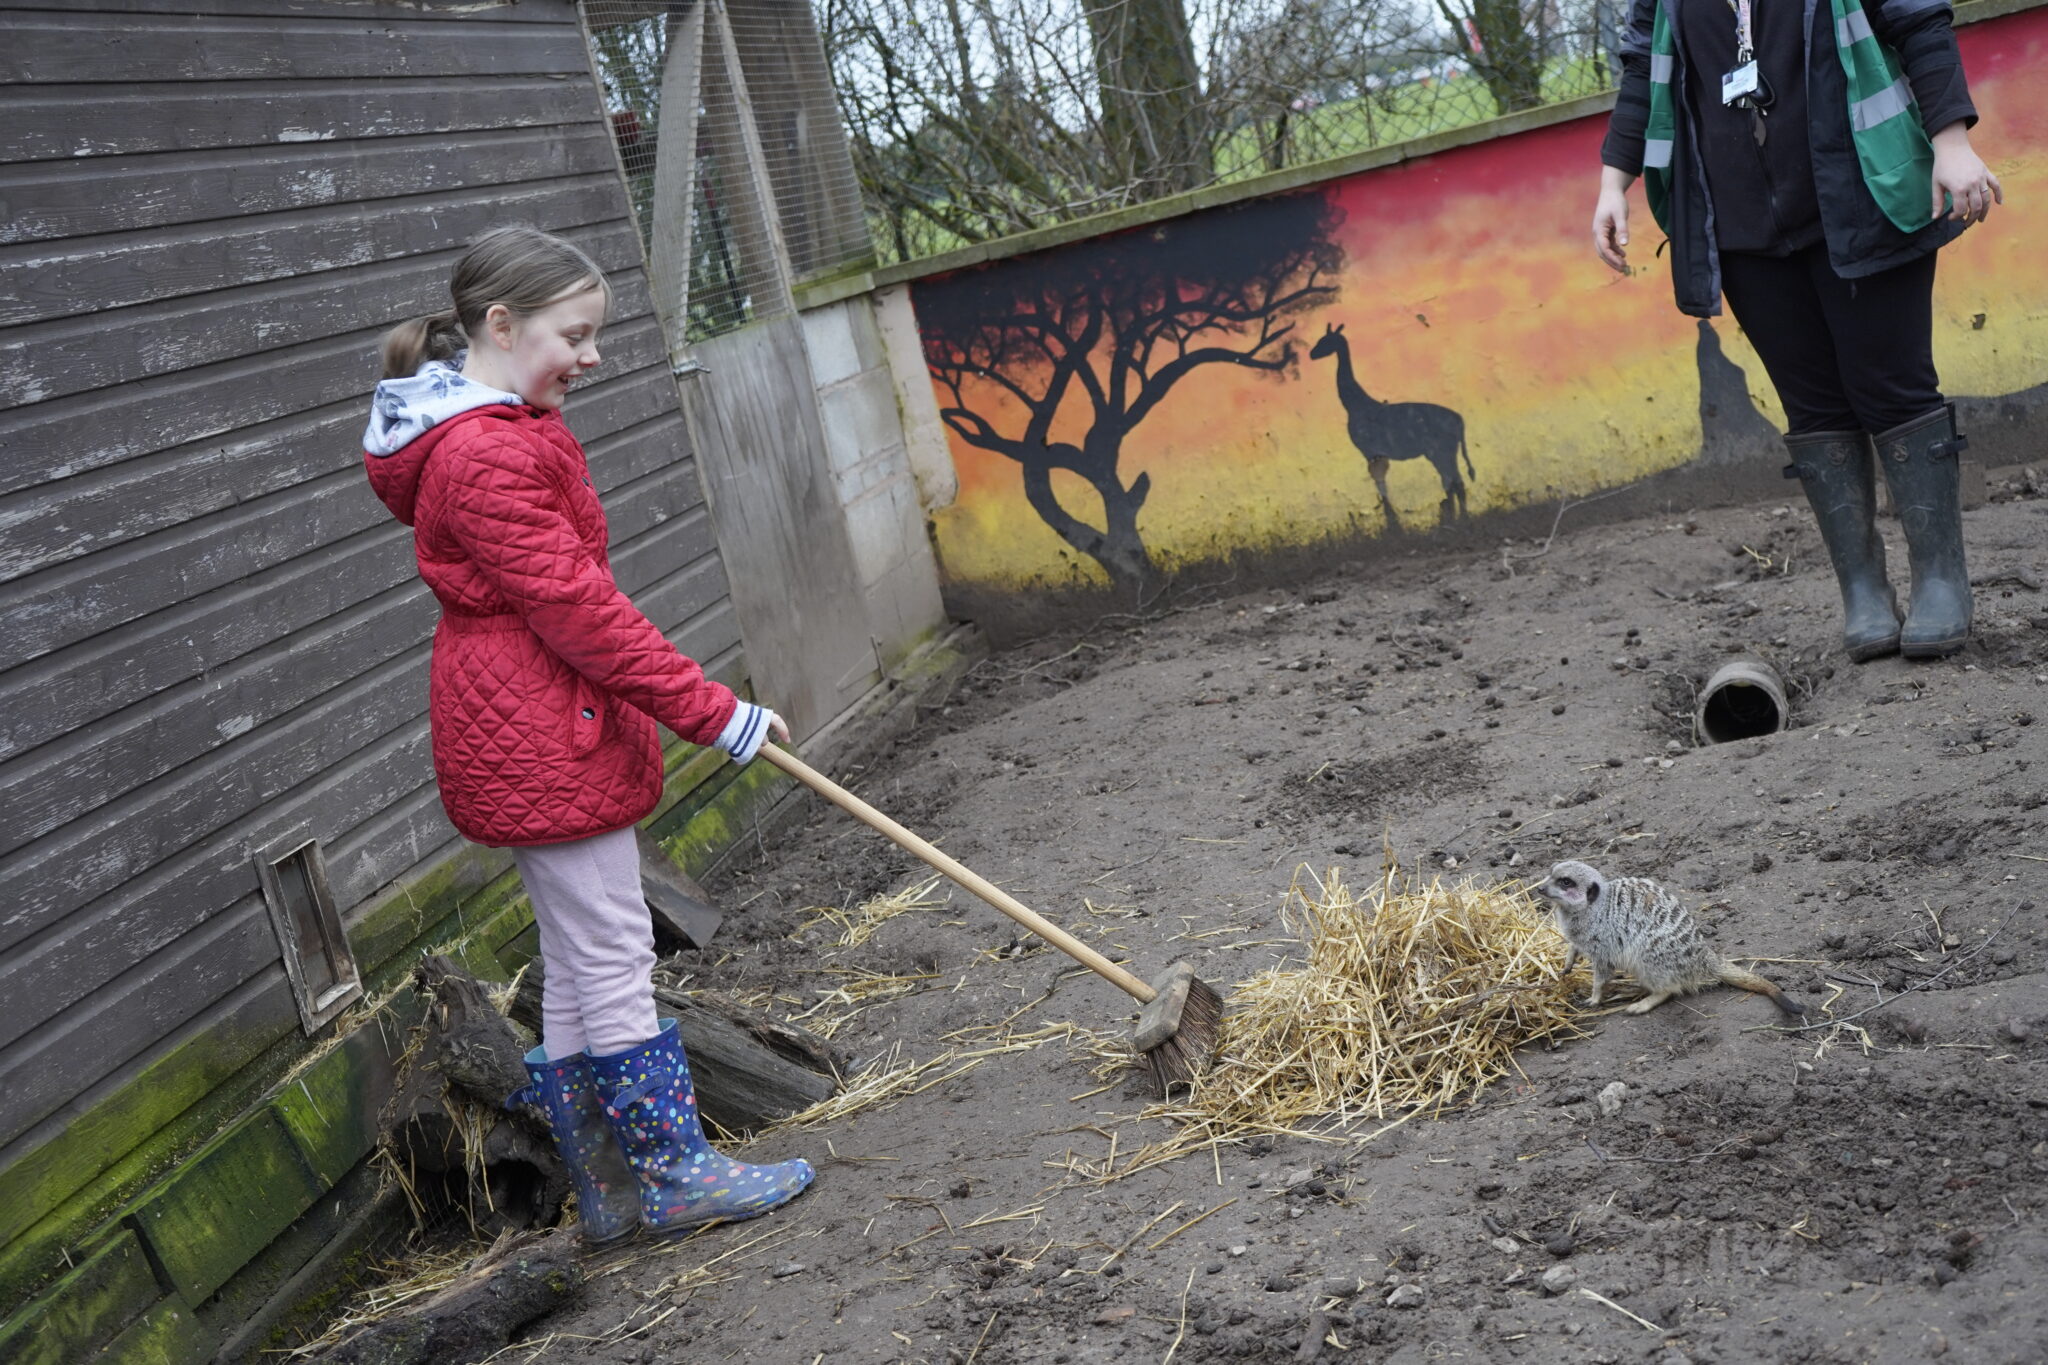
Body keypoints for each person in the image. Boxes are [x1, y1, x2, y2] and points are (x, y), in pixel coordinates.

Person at [362, 225, 812, 1241]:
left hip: (526, 715)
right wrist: (717, 713)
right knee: (609, 948)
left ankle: (610, 1189)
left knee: (576, 957)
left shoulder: (486, 433)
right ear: (502, 323)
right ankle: (671, 1175)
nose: (593, 354)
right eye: (577, 333)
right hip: (535, 727)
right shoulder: (483, 454)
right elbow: (580, 610)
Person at [1592, 0, 2003, 659]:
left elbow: (1918, 21)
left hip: (1863, 202)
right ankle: (1865, 592)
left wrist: (1951, 143)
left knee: (1892, 388)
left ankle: (1940, 582)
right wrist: (1614, 185)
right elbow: (1644, 71)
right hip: (1744, 233)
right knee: (1813, 406)